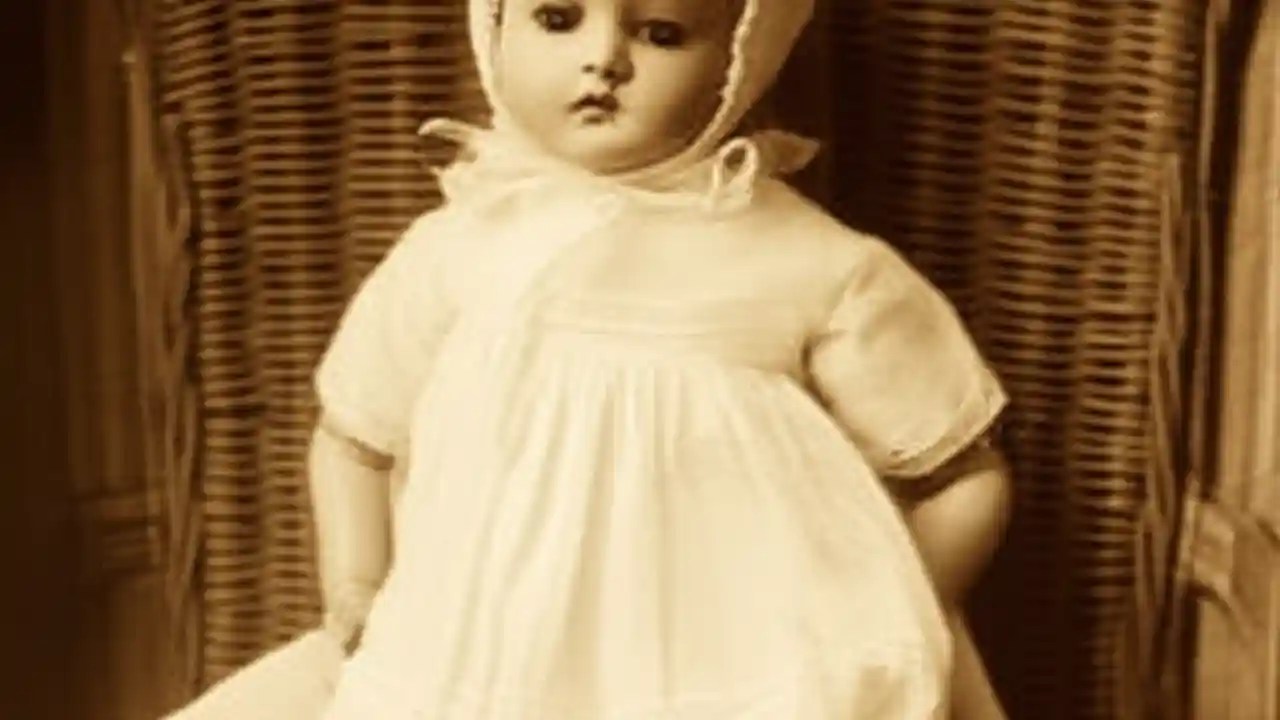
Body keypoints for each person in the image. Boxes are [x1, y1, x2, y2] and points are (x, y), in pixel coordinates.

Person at [165, 0, 1014, 717]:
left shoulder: (814, 265)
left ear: (741, 57)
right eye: (559, 17)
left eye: (661, 33)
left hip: (723, 670)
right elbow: (354, 436)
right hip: (480, 652)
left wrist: (889, 608)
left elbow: (961, 475)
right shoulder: (463, 246)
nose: (603, 59)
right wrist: (356, 585)